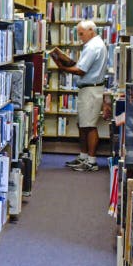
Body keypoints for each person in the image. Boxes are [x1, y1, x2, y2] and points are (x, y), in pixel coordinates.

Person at [58, 20, 107, 172]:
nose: (80, 37)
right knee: (83, 124)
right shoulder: (97, 44)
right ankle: (83, 156)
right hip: (89, 90)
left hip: (91, 91)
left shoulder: (93, 46)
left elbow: (81, 70)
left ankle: (91, 161)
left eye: (81, 33)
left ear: (91, 30)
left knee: (89, 126)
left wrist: (63, 67)